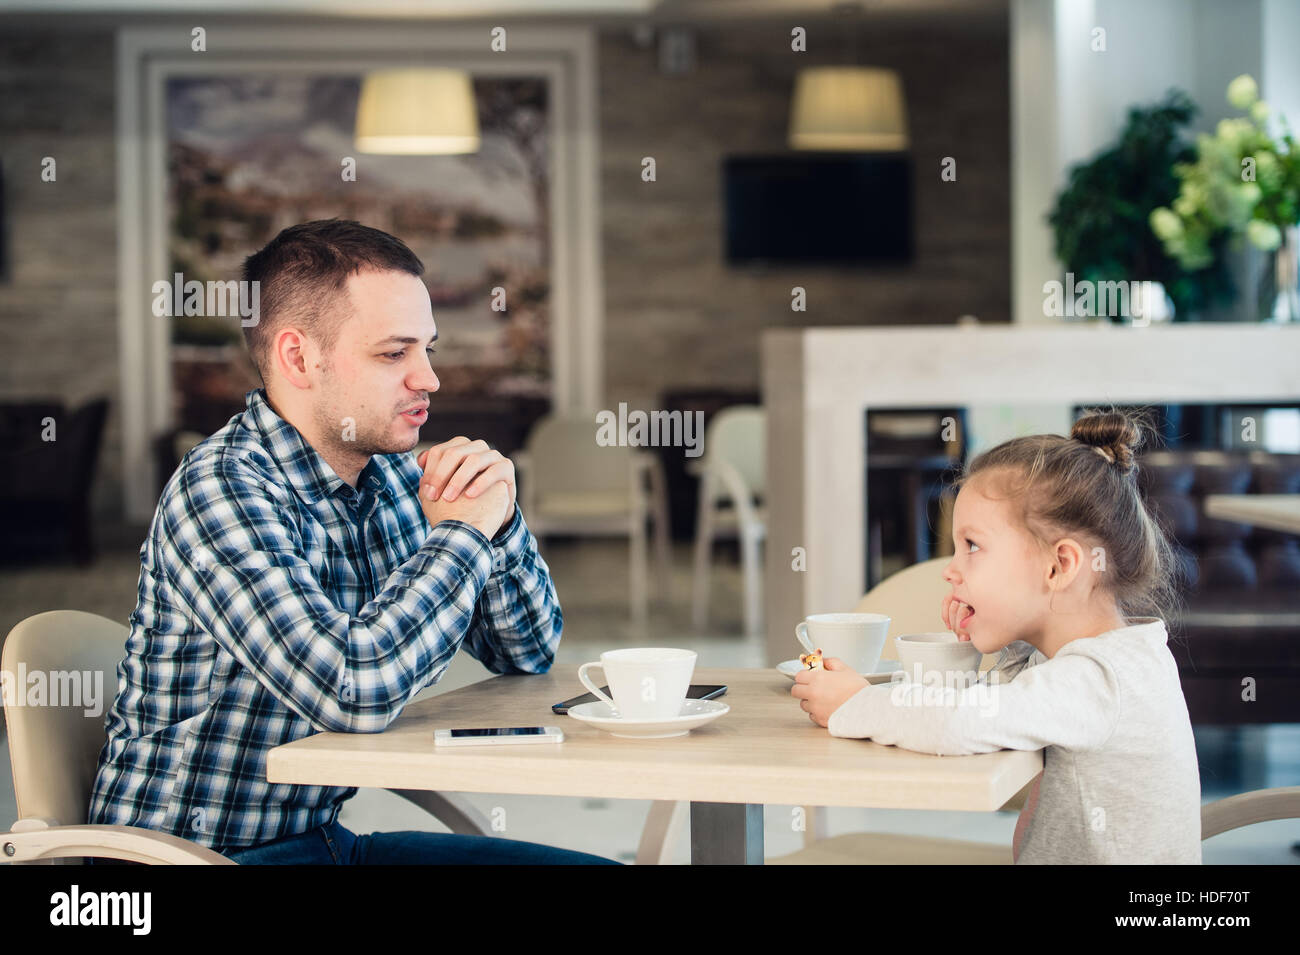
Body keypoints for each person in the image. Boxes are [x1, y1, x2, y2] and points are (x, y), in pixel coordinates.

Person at [88, 219, 618, 865]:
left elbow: (526, 653)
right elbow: (353, 691)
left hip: (318, 846)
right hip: (188, 859)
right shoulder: (222, 491)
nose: (429, 378)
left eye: (429, 348)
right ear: (297, 357)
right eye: (395, 353)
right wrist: (461, 532)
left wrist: (499, 524)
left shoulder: (394, 475)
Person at [791, 408, 1202, 864]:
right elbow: (1005, 705)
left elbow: (960, 721)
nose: (950, 569)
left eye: (972, 546)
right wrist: (1000, 642)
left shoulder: (1101, 678)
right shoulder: (1087, 658)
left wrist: (854, 705)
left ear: (1059, 566)